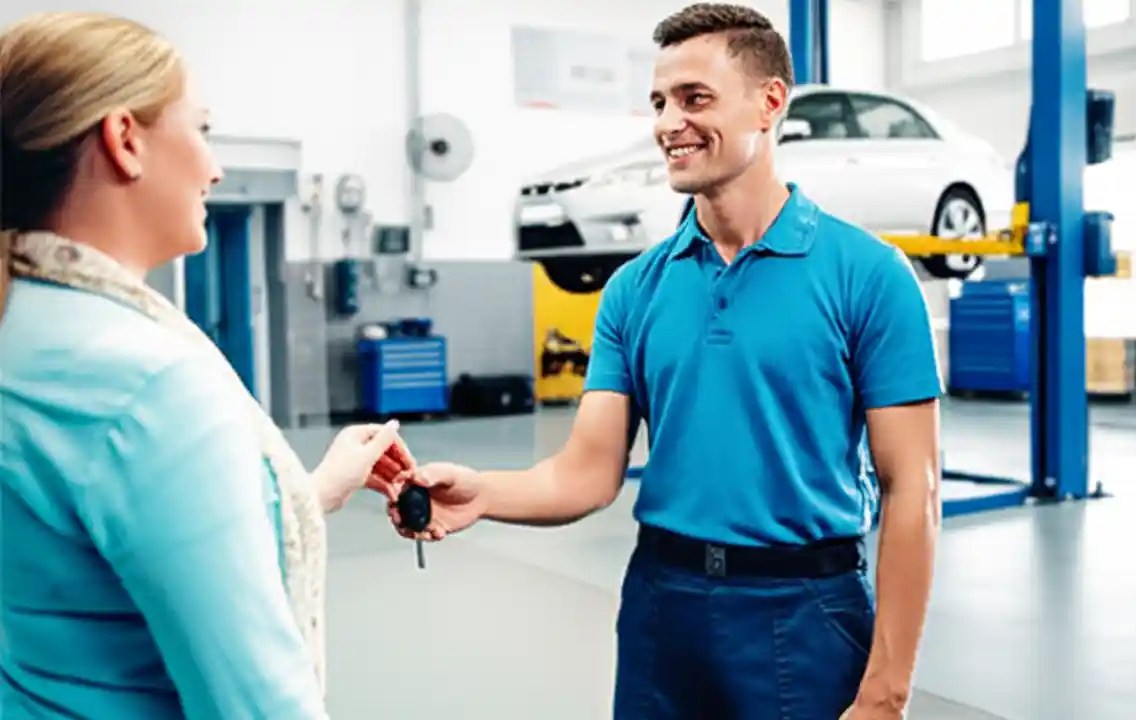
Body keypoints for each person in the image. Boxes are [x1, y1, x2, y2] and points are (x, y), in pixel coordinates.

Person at [389, 3, 943, 719]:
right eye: (658, 102)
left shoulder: (868, 275)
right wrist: (484, 494)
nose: (666, 124)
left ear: (770, 102)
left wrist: (886, 693)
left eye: (694, 99)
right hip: (661, 606)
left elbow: (912, 490)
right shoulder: (634, 290)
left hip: (804, 611)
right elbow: (587, 473)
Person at [0, 12, 411, 719]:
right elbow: (256, 705)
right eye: (203, 130)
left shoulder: (23, 331)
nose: (215, 167)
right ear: (125, 140)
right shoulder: (149, 381)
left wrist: (312, 492)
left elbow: (107, 562)